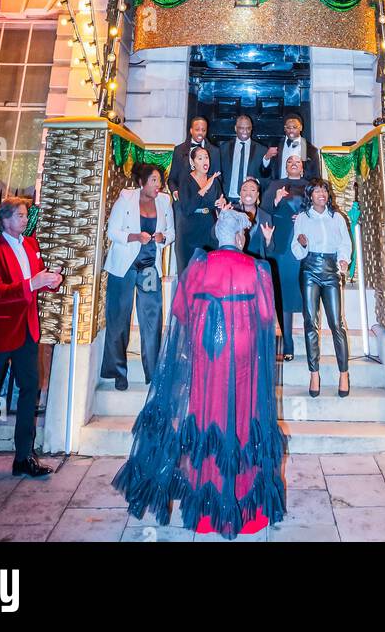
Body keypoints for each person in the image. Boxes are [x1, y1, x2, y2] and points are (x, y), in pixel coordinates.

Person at [113, 209, 286, 539]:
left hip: (208, 359)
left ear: (218, 236)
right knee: (242, 418)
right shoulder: (258, 269)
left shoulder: (199, 265)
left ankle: (207, 502)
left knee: (208, 416)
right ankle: (240, 502)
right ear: (240, 237)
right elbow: (267, 319)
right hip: (245, 359)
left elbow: (181, 312)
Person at [0, 197, 62, 496]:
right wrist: (33, 283)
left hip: (27, 331)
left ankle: (24, 456)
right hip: (1, 331)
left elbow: (33, 283)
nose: (24, 219)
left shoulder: (30, 245)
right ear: (5, 220)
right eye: (19, 215)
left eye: (25, 215)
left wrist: (49, 280)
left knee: (30, 391)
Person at [102, 164, 174, 392]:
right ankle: (117, 372)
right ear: (142, 182)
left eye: (159, 181)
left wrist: (163, 237)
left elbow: (171, 232)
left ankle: (153, 372)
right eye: (154, 180)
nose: (158, 185)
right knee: (118, 318)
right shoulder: (125, 199)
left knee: (152, 319)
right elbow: (112, 231)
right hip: (124, 266)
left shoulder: (164, 202)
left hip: (149, 267)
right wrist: (134, 236)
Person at [292, 178, 351, 398]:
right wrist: (303, 244)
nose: (321, 194)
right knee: (311, 323)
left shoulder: (337, 218)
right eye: (317, 191)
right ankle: (314, 373)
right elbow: (295, 249)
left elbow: (345, 244)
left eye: (324, 191)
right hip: (309, 270)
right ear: (310, 195)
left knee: (337, 323)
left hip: (331, 270)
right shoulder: (302, 219)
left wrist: (344, 260)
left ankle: (343, 373)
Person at [261, 155, 307, 361]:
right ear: (285, 167)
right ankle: (288, 344)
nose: (294, 163)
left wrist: (305, 216)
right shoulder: (276, 184)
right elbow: (265, 210)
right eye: (289, 161)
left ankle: (309, 344)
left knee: (307, 296)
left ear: (303, 167)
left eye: (297, 161)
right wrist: (277, 199)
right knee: (285, 298)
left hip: (304, 244)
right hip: (282, 245)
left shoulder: (310, 185)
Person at [173, 146, 226, 275]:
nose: (204, 161)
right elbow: (187, 208)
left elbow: (218, 202)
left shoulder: (214, 180)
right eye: (200, 158)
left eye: (206, 157)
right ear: (192, 162)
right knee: (190, 273)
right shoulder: (185, 180)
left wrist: (221, 203)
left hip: (209, 227)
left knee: (209, 272)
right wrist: (205, 188)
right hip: (189, 229)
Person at [218, 114, 270, 201]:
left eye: (248, 128)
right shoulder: (223, 148)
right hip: (226, 199)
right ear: (235, 128)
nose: (245, 131)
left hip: (249, 200)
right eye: (241, 128)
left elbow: (268, 178)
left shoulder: (262, 150)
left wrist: (256, 181)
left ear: (252, 128)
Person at [167, 116, 218, 195]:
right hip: (184, 200)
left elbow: (217, 178)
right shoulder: (179, 150)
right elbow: (172, 179)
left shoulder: (215, 151)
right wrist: (175, 191)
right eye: (197, 130)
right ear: (191, 130)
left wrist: (219, 198)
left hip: (207, 200)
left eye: (203, 130)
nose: (200, 132)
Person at [262, 113, 320, 180]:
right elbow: (265, 173)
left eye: (295, 127)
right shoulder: (275, 145)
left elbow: (316, 177)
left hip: (302, 188)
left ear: (301, 127)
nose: (291, 130)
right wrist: (266, 158)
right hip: (279, 187)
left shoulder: (310, 150)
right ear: (284, 128)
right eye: (288, 127)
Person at [237, 178, 275, 259]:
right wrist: (221, 219)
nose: (248, 193)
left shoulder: (265, 217)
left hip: (256, 263)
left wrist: (268, 239)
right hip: (235, 260)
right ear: (240, 193)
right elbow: (214, 236)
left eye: (252, 190)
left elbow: (270, 250)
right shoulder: (232, 211)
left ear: (258, 194)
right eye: (244, 190)